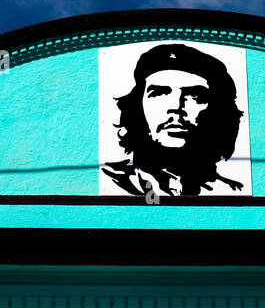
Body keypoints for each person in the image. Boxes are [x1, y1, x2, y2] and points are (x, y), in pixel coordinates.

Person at [102, 43, 245, 196]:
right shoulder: (112, 182)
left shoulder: (231, 192)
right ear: (136, 107)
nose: (176, 107)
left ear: (219, 112)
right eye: (159, 93)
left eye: (195, 96)